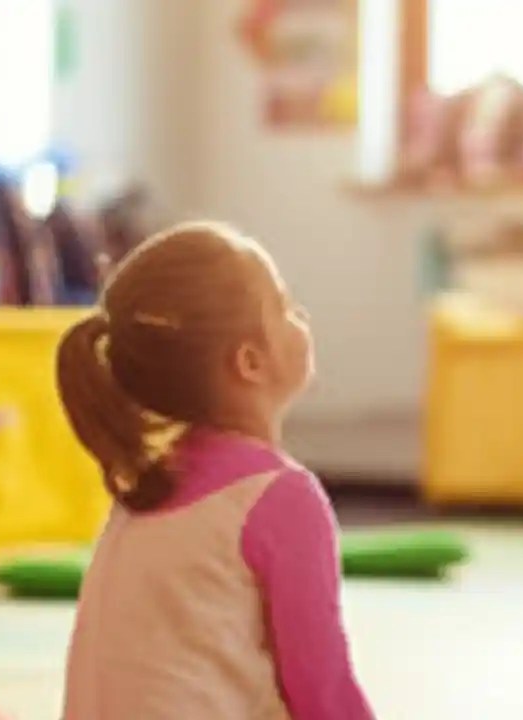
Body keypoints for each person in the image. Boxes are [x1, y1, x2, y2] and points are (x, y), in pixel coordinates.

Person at [56, 221, 374, 719]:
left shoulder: (150, 484)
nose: (302, 317)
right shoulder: (280, 498)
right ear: (249, 362)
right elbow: (322, 692)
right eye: (285, 307)